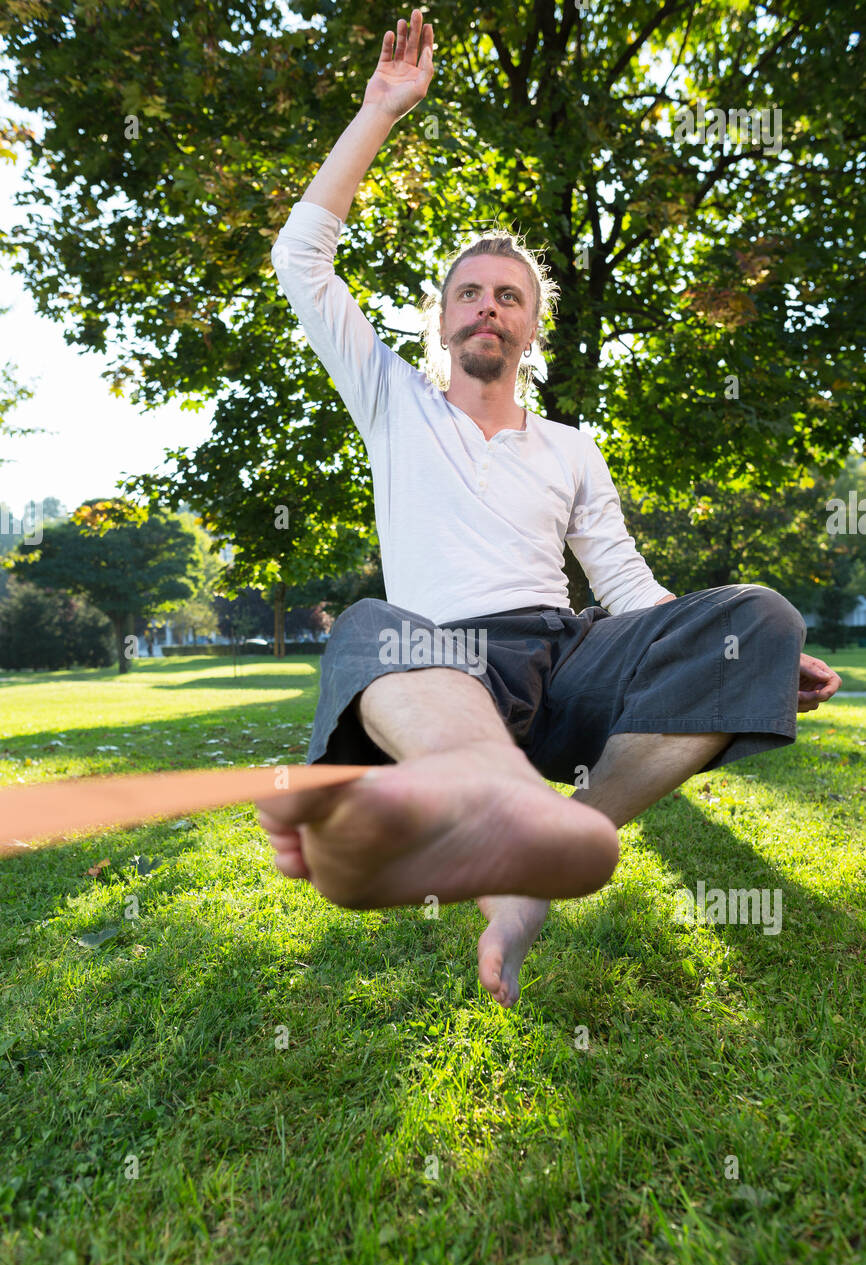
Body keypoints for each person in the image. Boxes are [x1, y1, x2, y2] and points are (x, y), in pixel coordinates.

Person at [257, 9, 840, 1006]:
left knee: (760, 613)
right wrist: (381, 111)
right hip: (439, 670)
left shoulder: (569, 444)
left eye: (508, 296)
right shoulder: (390, 399)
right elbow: (299, 260)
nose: (486, 305)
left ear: (529, 327)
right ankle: (487, 800)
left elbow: (622, 583)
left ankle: (537, 856)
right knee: (369, 627)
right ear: (441, 321)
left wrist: (737, 652)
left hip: (564, 658)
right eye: (468, 292)